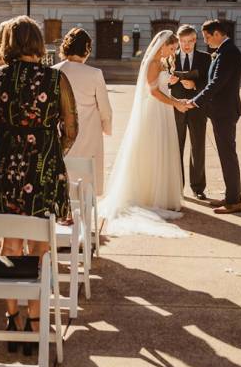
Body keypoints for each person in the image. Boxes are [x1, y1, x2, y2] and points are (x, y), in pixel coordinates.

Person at [0, 16, 78, 351]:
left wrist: (15, 140)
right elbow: (71, 128)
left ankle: (12, 317)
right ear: (37, 42)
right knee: (41, 246)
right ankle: (36, 319)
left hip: (7, 166)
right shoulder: (56, 79)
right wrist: (51, 151)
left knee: (9, 243)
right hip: (44, 168)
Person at [100, 30, 190, 237]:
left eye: (174, 49)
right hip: (154, 112)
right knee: (153, 150)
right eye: (171, 48)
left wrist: (170, 83)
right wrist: (176, 103)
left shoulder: (161, 63)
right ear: (162, 45)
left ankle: (160, 195)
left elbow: (160, 85)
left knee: (162, 149)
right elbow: (153, 92)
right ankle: (149, 196)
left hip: (163, 110)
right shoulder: (152, 63)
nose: (173, 52)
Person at [186, 19, 241, 215]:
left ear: (218, 34)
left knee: (228, 155)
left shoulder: (229, 53)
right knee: (225, 154)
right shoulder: (224, 51)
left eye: (207, 37)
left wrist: (195, 101)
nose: (205, 41)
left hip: (225, 112)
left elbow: (217, 83)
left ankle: (234, 201)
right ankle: (231, 196)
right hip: (221, 111)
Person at [55, 27, 113, 187]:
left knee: (65, 169)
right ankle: (87, 198)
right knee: (88, 175)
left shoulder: (54, 71)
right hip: (89, 131)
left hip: (62, 130)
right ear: (86, 49)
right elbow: (105, 107)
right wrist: (107, 127)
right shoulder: (94, 73)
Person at [168, 23, 211, 200]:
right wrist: (169, 82)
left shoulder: (205, 58)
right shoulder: (170, 58)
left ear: (195, 40)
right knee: (175, 148)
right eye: (183, 41)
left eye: (190, 41)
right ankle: (177, 186)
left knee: (198, 148)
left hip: (197, 109)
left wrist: (194, 85)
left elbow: (210, 83)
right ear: (178, 40)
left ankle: (198, 187)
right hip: (175, 108)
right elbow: (159, 83)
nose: (186, 45)